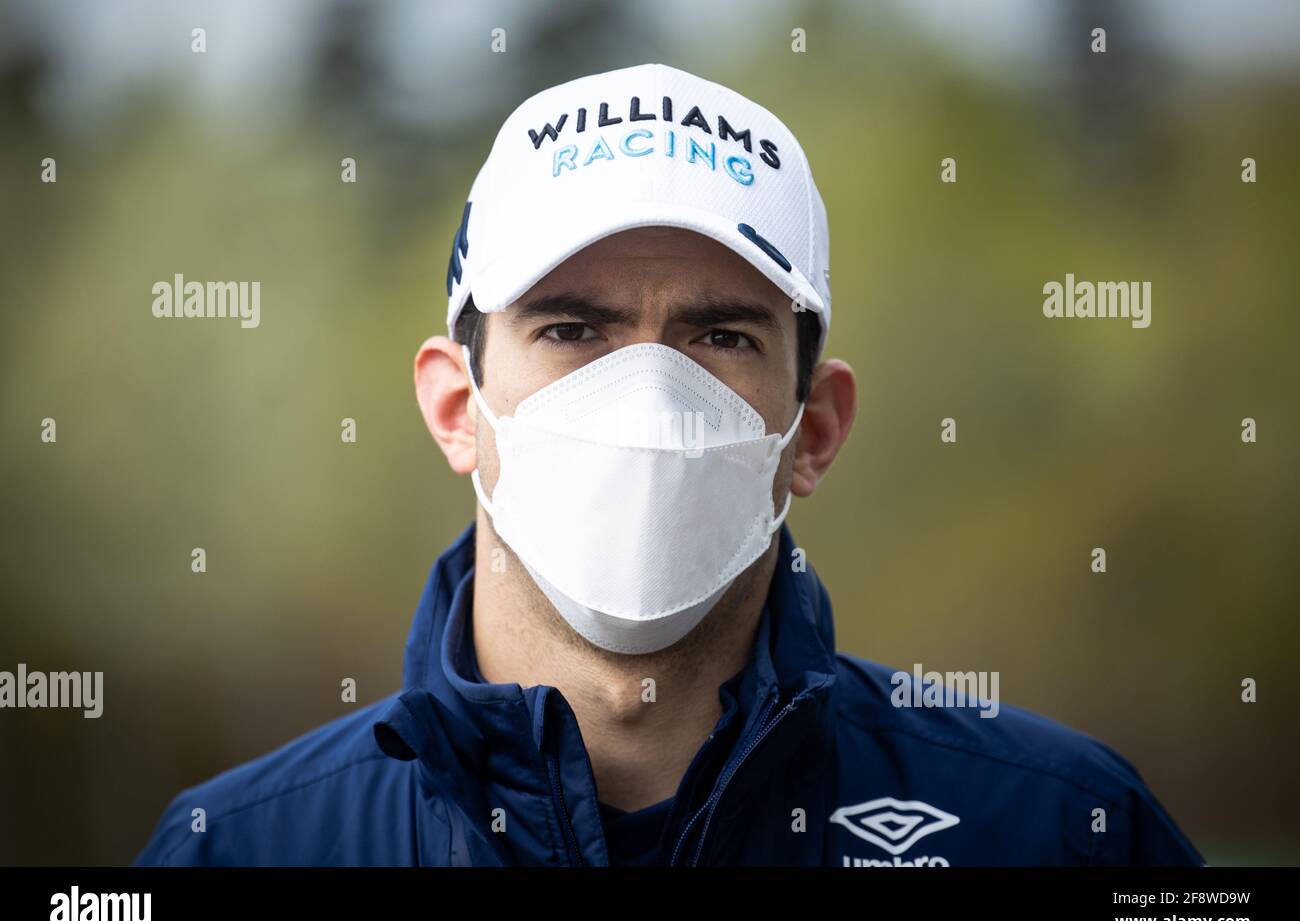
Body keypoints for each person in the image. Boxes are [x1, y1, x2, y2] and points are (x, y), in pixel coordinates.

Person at [135, 63, 1203, 866]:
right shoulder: (238, 849)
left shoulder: (1059, 829)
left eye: (720, 336)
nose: (646, 395)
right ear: (457, 407)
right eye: (572, 329)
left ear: (813, 428)